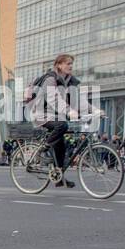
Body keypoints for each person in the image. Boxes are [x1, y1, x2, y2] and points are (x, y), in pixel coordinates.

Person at [25, 54, 85, 188]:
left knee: (61, 147)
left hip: (54, 116)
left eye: (71, 64)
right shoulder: (50, 79)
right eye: (67, 63)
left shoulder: (68, 81)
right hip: (40, 114)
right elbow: (54, 100)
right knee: (63, 125)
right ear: (59, 65)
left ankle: (59, 178)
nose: (70, 66)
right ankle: (43, 148)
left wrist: (95, 111)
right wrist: (69, 111)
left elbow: (79, 102)